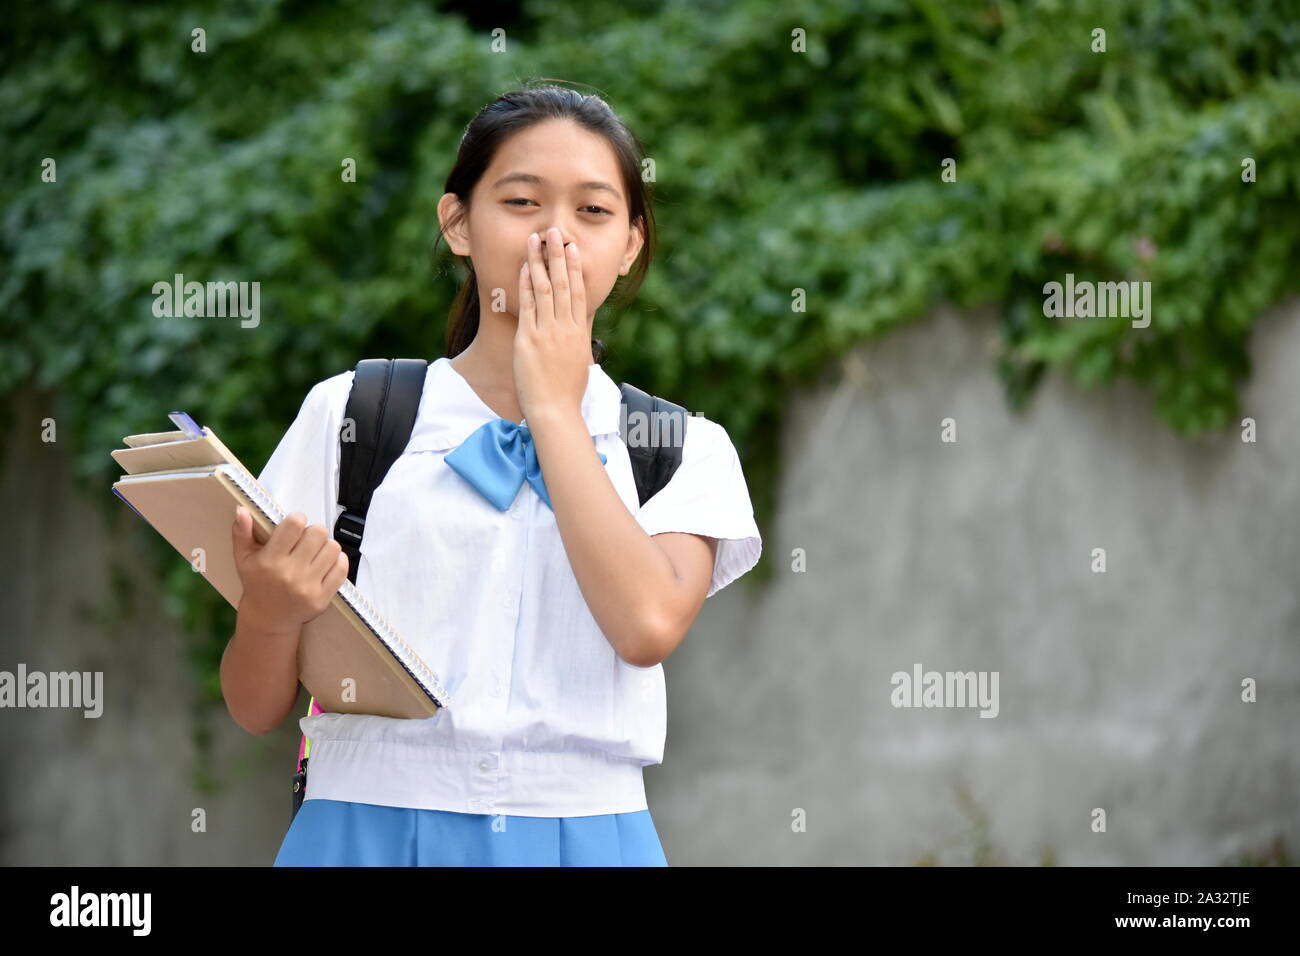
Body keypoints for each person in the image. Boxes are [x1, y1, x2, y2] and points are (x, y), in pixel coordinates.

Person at [219, 84, 762, 866]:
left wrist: (553, 407)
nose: (555, 236)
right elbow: (253, 705)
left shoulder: (678, 446)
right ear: (458, 223)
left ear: (632, 244)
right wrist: (269, 614)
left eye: (593, 211)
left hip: (586, 837)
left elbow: (647, 627)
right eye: (521, 201)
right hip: (362, 828)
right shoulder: (355, 416)